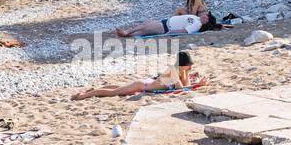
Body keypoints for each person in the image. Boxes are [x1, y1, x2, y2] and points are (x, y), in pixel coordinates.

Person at [71, 51, 200, 99]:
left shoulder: (179, 70)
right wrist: (199, 84)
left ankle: (95, 90)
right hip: (142, 86)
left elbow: (185, 86)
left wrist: (187, 73)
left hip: (145, 83)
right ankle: (82, 96)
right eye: (189, 65)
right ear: (183, 64)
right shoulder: (173, 71)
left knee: (119, 88)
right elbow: (181, 89)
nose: (191, 67)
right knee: (113, 93)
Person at [115, 11, 215, 38]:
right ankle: (127, 34)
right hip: (165, 22)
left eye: (207, 16)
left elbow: (185, 31)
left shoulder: (197, 25)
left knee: (145, 27)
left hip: (166, 27)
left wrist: (171, 32)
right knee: (145, 27)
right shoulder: (197, 18)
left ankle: (126, 32)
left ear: (207, 21)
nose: (205, 15)